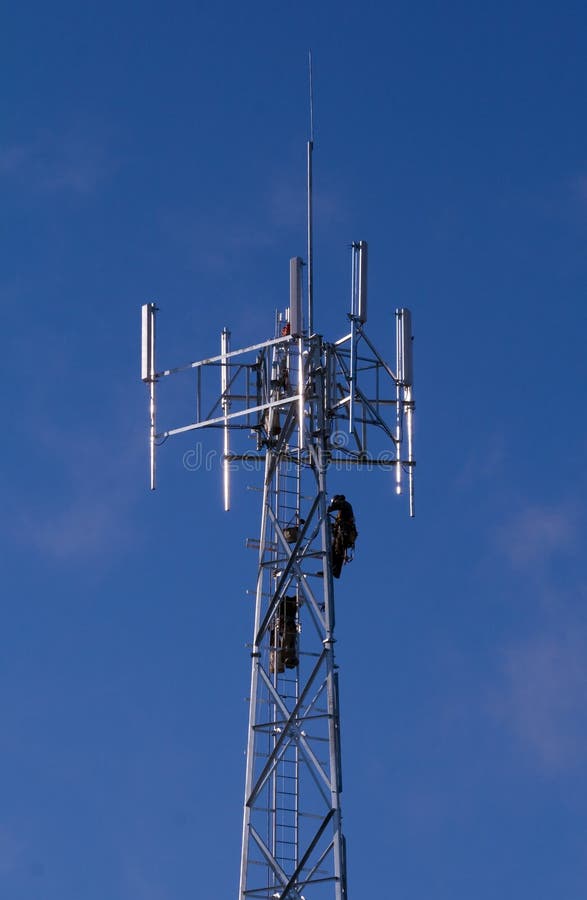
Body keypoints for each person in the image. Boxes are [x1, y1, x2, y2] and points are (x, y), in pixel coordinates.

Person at [328, 495, 358, 578]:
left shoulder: (345, 504)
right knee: (333, 551)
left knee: (338, 552)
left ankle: (335, 571)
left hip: (345, 533)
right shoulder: (342, 513)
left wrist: (329, 509)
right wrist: (332, 527)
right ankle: (330, 570)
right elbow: (338, 524)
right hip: (341, 533)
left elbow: (338, 505)